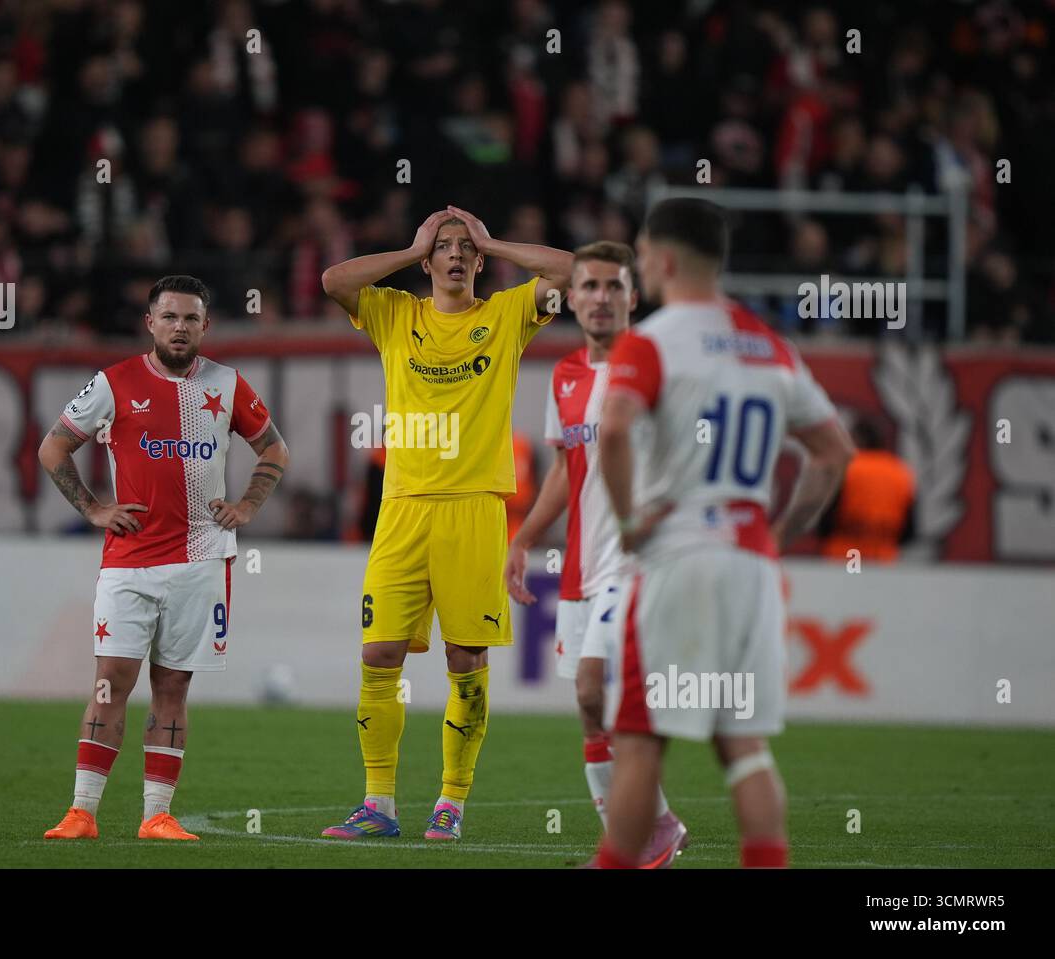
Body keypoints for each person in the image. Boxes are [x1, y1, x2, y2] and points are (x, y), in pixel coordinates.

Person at [597, 199, 854, 868]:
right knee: (744, 747)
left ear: (667, 258)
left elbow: (616, 427)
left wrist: (626, 523)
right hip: (752, 564)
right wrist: (780, 529)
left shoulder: (651, 341)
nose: (644, 267)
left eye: (645, 255)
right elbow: (832, 452)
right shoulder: (769, 344)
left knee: (641, 740)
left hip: (679, 558)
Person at [319, 207, 572, 840]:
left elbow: (577, 270)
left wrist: (494, 239)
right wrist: (411, 247)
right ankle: (378, 805)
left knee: (466, 658)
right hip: (403, 508)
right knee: (378, 653)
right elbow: (334, 281)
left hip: (474, 508)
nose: (455, 255)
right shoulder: (396, 315)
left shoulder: (506, 315)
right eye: (445, 247)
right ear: (430, 262)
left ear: (481, 262)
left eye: (467, 249)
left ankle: (450, 804)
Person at [40, 274, 289, 841]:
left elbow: (274, 447)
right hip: (129, 560)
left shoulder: (227, 384)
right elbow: (53, 445)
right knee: (112, 680)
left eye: (191, 318)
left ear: (206, 325)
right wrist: (92, 508)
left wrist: (249, 504)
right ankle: (82, 811)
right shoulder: (114, 382)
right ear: (150, 322)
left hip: (202, 560)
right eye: (170, 317)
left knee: (173, 686)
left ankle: (157, 814)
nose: (180, 327)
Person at [505, 240, 687, 866]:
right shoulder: (567, 375)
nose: (601, 298)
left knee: (597, 690)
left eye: (614, 287)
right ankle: (652, 827)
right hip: (583, 563)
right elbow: (565, 468)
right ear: (572, 298)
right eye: (588, 287)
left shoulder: (661, 367)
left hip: (639, 561)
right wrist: (526, 537)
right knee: (589, 708)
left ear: (634, 297)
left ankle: (634, 841)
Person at [818, 415, 915, 562]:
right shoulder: (900, 471)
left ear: (857, 440)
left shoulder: (848, 467)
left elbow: (827, 519)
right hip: (883, 556)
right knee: (879, 585)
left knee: (848, 583)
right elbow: (910, 529)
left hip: (847, 553)